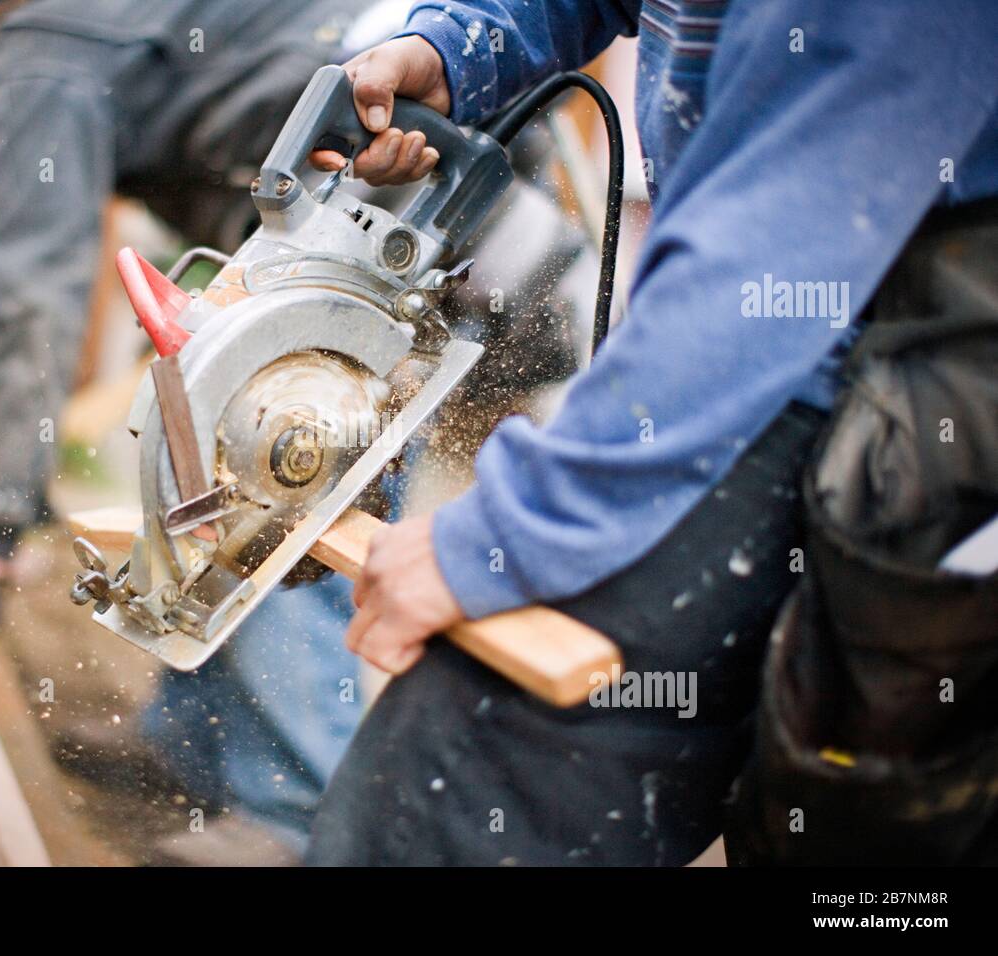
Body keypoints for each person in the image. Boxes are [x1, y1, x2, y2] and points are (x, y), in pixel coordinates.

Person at [305, 1, 998, 865]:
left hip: (863, 370)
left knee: (458, 787)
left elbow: (778, 242)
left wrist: (518, 534)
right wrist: (459, 49)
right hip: (763, 330)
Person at [0, 0, 590, 854]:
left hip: (438, 239)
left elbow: (28, 297)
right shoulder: (110, 20)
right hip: (411, 223)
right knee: (236, 469)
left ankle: (289, 810)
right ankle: (192, 745)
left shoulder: (31, 57)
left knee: (279, 490)